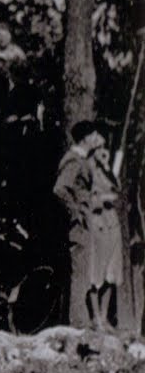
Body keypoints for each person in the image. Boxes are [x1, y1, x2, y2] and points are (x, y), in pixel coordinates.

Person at [53, 120, 125, 330]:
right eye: (93, 135)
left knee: (85, 272)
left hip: (86, 223)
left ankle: (81, 322)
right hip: (80, 224)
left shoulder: (82, 159)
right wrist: (76, 212)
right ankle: (78, 323)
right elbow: (60, 189)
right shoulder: (74, 160)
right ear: (85, 138)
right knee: (81, 273)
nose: (96, 138)